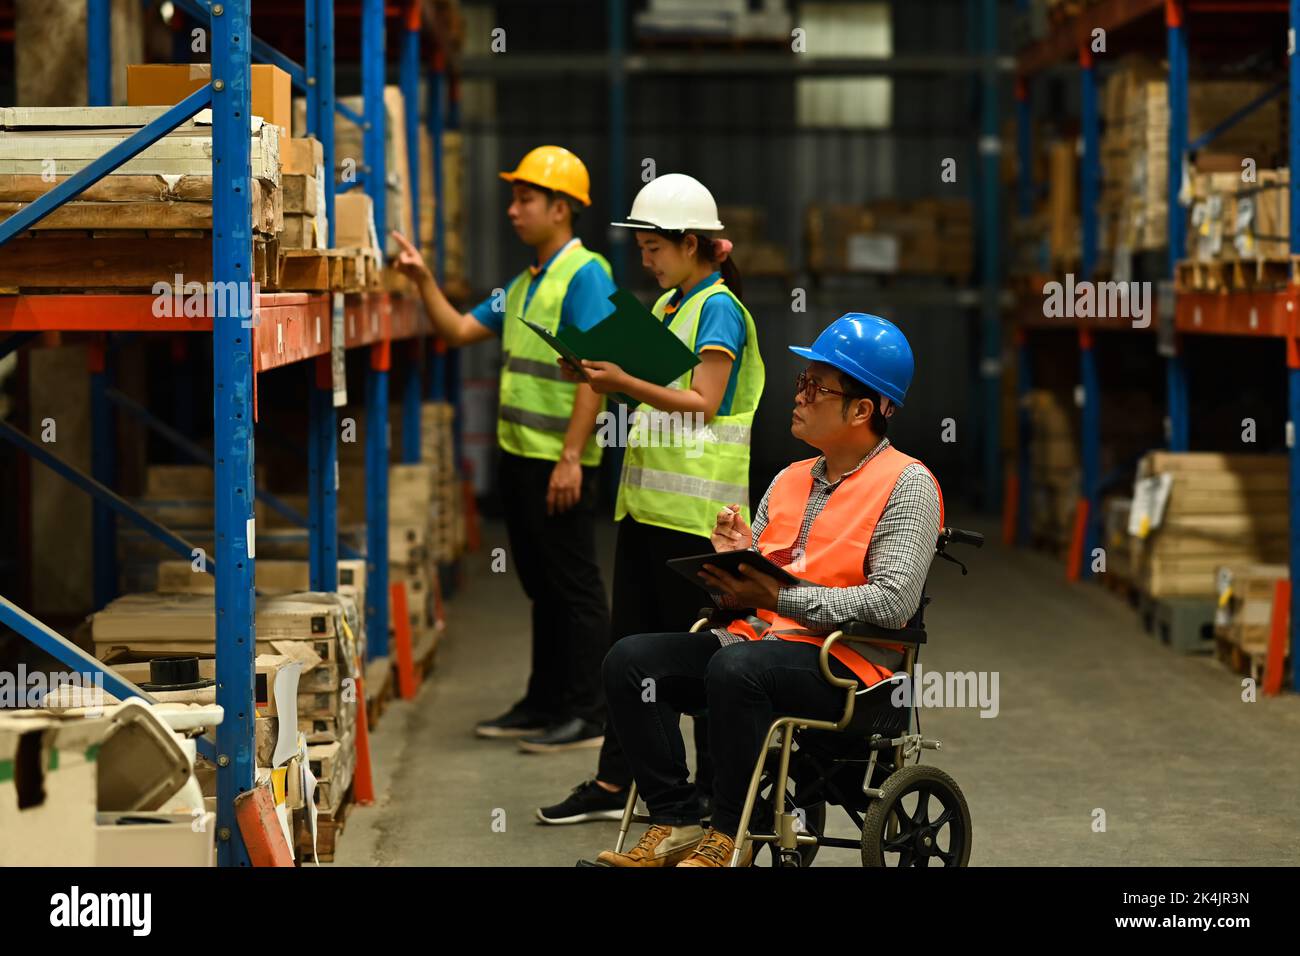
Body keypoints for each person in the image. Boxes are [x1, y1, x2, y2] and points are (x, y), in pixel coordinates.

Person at [590, 313, 944, 866]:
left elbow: (893, 603)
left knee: (737, 672)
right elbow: (752, 591)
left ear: (861, 409)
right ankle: (676, 817)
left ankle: (727, 836)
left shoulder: (908, 484)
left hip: (845, 667)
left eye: (815, 387)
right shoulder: (788, 478)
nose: (798, 396)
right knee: (630, 661)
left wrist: (781, 599)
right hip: (757, 646)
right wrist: (733, 564)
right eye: (801, 382)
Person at [536, 173, 766, 824]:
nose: (644, 258)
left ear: (691, 243)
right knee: (627, 658)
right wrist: (593, 373)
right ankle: (622, 784)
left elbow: (703, 405)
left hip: (699, 526)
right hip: (647, 516)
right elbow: (654, 391)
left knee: (699, 665)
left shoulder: (717, 307)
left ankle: (717, 802)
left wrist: (624, 380)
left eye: (653, 247)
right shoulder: (670, 306)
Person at [392, 145, 614, 752]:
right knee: (541, 586)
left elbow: (597, 372)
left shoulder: (585, 274)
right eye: (514, 198)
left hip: (557, 462)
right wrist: (422, 279)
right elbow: (459, 330)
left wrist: (571, 457)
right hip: (520, 458)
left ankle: (589, 714)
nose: (513, 210)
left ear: (561, 209)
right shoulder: (523, 285)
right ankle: (545, 702)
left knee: (575, 587)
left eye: (525, 199)